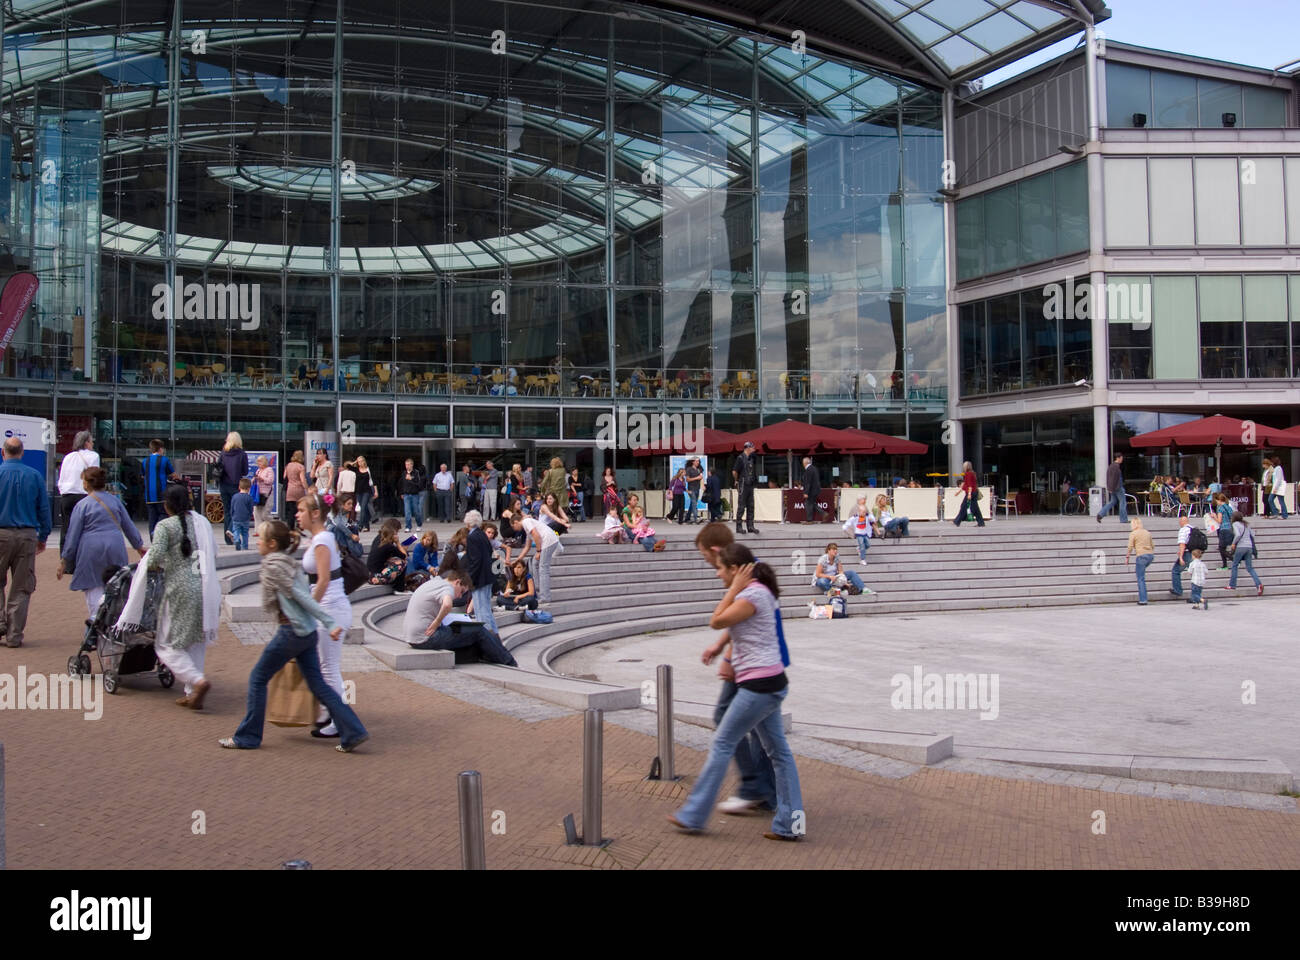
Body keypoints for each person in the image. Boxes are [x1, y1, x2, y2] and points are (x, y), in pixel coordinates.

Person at [669, 542, 803, 841]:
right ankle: (790, 824)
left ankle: (693, 815)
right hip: (771, 683)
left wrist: (733, 589)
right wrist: (719, 647)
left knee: (722, 743)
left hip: (759, 686)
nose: (718, 575)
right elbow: (735, 623)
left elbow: (717, 619)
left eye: (721, 569)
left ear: (735, 570)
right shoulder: (757, 593)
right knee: (779, 753)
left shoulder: (751, 593)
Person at [219, 520, 368, 752]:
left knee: (258, 678)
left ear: (271, 543)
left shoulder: (274, 566)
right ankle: (353, 731)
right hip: (307, 632)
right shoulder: (289, 562)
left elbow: (302, 596)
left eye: (261, 537)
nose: (256, 540)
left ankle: (247, 737)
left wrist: (329, 622)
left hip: (292, 631)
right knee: (318, 684)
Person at [692, 523, 775, 816]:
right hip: (762, 665)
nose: (707, 563)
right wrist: (720, 647)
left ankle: (754, 787)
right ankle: (767, 792)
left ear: (715, 552)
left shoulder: (740, 578)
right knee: (762, 730)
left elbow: (725, 618)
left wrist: (726, 655)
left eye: (705, 555)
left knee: (727, 719)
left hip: (752, 665)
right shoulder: (746, 569)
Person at [119, 483, 219, 708]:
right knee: (196, 640)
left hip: (178, 591)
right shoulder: (202, 523)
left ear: (167, 505)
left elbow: (154, 559)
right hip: (203, 587)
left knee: (166, 644)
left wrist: (155, 566)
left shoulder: (165, 526)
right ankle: (192, 691)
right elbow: (212, 552)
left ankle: (197, 681)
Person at [58, 466, 146, 618]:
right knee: (115, 585)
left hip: (90, 548)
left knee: (93, 589)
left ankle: (96, 621)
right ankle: (112, 621)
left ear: (87, 483)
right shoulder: (115, 502)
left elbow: (72, 535)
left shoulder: (82, 505)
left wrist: (65, 559)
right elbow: (128, 526)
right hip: (115, 545)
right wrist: (138, 546)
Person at [298, 492, 352, 740]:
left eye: (301, 511)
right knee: (325, 666)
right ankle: (328, 714)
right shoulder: (320, 538)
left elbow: (322, 581)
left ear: (315, 513)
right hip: (330, 607)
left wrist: (307, 611)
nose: (297, 515)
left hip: (331, 609)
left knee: (329, 668)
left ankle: (341, 719)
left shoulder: (323, 540)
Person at [402, 567, 517, 665]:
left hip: (412, 636)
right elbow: (447, 605)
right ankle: (509, 662)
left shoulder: (435, 582)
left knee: (473, 631)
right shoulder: (447, 587)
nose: (459, 596)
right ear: (457, 582)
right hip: (425, 637)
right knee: (478, 630)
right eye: (461, 591)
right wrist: (437, 622)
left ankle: (490, 654)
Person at [0, 438, 51, 648]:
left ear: (3, 453)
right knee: (21, 587)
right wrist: (43, 536)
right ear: (22, 453)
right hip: (27, 534)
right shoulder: (35, 476)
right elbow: (44, 509)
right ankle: (14, 635)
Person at [512, 510, 563, 614]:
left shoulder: (526, 522)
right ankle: (538, 590)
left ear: (516, 522)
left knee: (543, 568)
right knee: (535, 563)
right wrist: (518, 559)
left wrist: (539, 551)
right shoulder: (527, 527)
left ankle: (545, 597)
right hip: (548, 541)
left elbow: (536, 535)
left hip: (548, 541)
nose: (515, 529)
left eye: (514, 527)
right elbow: (527, 547)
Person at [462, 510, 499, 636]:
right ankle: (495, 635)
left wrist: (469, 579)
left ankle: (489, 637)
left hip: (479, 579)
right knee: (486, 609)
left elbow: (475, 561)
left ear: (468, 523)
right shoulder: (482, 535)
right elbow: (488, 552)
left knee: (481, 610)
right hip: (487, 576)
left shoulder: (472, 537)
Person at [56, 430, 99, 534]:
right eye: (91, 441)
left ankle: (65, 550)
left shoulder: (68, 457)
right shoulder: (93, 456)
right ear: (86, 443)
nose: (93, 443)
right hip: (84, 495)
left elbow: (61, 479)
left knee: (66, 529)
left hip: (67, 496)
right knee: (85, 529)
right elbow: (94, 476)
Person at [143, 439, 178, 537]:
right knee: (163, 514)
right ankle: (158, 533)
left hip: (149, 495)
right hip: (161, 493)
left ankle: (152, 537)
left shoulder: (145, 461)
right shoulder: (164, 460)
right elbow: (173, 474)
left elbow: (143, 475)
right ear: (161, 449)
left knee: (152, 517)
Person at [219, 431, 249, 545]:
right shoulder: (241, 454)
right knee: (236, 510)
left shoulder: (223, 453)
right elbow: (245, 471)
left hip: (223, 485)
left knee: (227, 511)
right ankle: (231, 530)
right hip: (236, 485)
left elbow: (218, 467)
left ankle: (228, 540)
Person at [1225, 511, 1262, 595]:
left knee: (1235, 565)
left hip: (1241, 546)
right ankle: (1258, 584)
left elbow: (1237, 534)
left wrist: (1234, 543)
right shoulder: (1246, 524)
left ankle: (1232, 585)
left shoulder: (1235, 524)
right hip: (1249, 547)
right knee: (1250, 568)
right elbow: (1253, 534)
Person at [367, 518, 408, 586]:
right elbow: (404, 556)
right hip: (378, 574)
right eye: (397, 531)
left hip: (370, 573)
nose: (397, 534)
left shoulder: (378, 538)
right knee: (402, 562)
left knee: (394, 560)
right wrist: (398, 544)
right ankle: (399, 588)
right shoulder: (389, 545)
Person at [1125, 517, 1155, 605]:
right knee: (1141, 575)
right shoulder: (1147, 532)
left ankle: (1143, 599)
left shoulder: (1133, 534)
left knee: (1140, 578)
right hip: (1150, 555)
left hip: (1141, 556)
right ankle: (1143, 598)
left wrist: (1127, 557)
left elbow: (1130, 546)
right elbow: (1152, 545)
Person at [732, 441, 759, 535]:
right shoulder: (740, 458)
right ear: (747, 448)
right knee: (741, 506)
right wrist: (737, 480)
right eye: (752, 448)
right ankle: (739, 527)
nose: (754, 449)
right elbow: (734, 471)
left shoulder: (751, 458)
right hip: (743, 484)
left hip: (750, 484)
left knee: (751, 506)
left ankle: (750, 526)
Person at [1095, 453, 1127, 523]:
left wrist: (1110, 488)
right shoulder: (1115, 467)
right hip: (1117, 487)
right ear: (1118, 458)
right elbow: (1113, 479)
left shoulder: (1111, 466)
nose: (1122, 460)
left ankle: (1100, 514)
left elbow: (1108, 478)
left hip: (1113, 487)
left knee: (1112, 502)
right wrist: (1111, 488)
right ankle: (1123, 519)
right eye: (1121, 458)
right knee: (1123, 502)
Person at [952, 460, 984, 528]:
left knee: (964, 506)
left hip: (971, 492)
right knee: (975, 508)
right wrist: (959, 492)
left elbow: (969, 485)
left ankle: (957, 521)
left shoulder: (968, 474)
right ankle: (981, 523)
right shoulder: (972, 473)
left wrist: (969, 494)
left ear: (966, 467)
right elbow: (967, 484)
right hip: (974, 492)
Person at [842, 496, 873, 564]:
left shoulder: (867, 516)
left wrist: (871, 519)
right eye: (862, 512)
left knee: (867, 545)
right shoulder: (856, 517)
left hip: (865, 533)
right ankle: (862, 559)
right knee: (862, 545)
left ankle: (859, 548)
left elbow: (872, 518)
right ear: (859, 512)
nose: (864, 513)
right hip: (859, 533)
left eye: (864, 512)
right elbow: (849, 521)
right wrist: (845, 527)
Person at [1169, 515, 1192, 600]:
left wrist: (1181, 557)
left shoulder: (1183, 530)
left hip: (1187, 554)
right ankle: (1196, 595)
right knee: (1194, 574)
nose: (1179, 523)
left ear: (1182, 522)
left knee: (1175, 571)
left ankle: (1178, 590)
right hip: (1194, 554)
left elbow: (1182, 544)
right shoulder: (1192, 529)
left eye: (1180, 522)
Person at [283, 450, 307, 531]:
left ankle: (290, 527)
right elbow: (303, 480)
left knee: (291, 510)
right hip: (298, 489)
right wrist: (307, 488)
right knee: (299, 508)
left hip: (290, 490)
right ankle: (299, 526)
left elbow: (284, 477)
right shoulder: (300, 467)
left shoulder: (288, 465)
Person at [400, 458, 424, 532]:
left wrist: (411, 479)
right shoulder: (404, 473)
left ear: (412, 465)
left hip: (414, 495)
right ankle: (408, 526)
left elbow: (419, 484)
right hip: (406, 494)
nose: (407, 466)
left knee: (416, 511)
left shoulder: (416, 473)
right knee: (407, 511)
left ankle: (419, 524)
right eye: (406, 465)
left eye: (408, 464)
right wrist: (401, 492)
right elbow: (402, 483)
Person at [229, 478, 254, 551]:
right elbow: (250, 509)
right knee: (245, 533)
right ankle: (245, 546)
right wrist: (249, 516)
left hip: (236, 517)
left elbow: (232, 507)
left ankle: (236, 540)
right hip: (245, 518)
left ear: (239, 487)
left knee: (236, 531)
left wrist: (232, 515)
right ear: (249, 488)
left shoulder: (235, 496)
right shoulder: (249, 498)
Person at [353, 456, 377, 531]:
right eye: (358, 462)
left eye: (361, 461)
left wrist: (376, 491)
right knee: (365, 509)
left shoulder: (368, 470)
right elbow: (347, 465)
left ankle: (360, 525)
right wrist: (355, 462)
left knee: (363, 508)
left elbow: (373, 481)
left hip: (367, 491)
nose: (360, 463)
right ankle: (367, 526)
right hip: (358, 491)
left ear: (364, 461)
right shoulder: (356, 469)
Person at [1212, 492, 1235, 570]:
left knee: (1221, 548)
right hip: (1230, 528)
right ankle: (1225, 564)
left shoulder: (1220, 508)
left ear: (1219, 500)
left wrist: (1214, 516)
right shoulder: (1228, 507)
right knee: (1223, 547)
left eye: (1216, 500)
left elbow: (1219, 521)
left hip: (1223, 529)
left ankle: (1233, 560)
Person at [253, 455, 274, 529]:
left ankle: (273, 525)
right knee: (256, 513)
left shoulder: (269, 470)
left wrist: (262, 479)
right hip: (258, 493)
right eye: (258, 462)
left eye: (260, 461)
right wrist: (254, 480)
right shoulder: (258, 470)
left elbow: (270, 481)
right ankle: (258, 530)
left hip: (266, 493)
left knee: (265, 513)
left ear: (264, 461)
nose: (258, 463)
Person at [800, 456, 821, 524]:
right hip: (815, 490)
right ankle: (822, 514)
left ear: (805, 463)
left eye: (803, 463)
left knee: (807, 504)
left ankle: (810, 520)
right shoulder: (814, 468)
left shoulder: (809, 469)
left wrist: (806, 492)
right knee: (811, 504)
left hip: (811, 491)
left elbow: (808, 482)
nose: (803, 464)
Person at [684, 458, 703, 524]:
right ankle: (696, 519)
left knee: (692, 504)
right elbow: (687, 480)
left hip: (697, 488)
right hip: (691, 489)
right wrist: (697, 478)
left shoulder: (699, 469)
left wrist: (703, 485)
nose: (698, 462)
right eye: (697, 461)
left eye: (698, 461)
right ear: (693, 462)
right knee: (694, 503)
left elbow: (701, 477)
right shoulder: (689, 469)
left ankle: (687, 518)